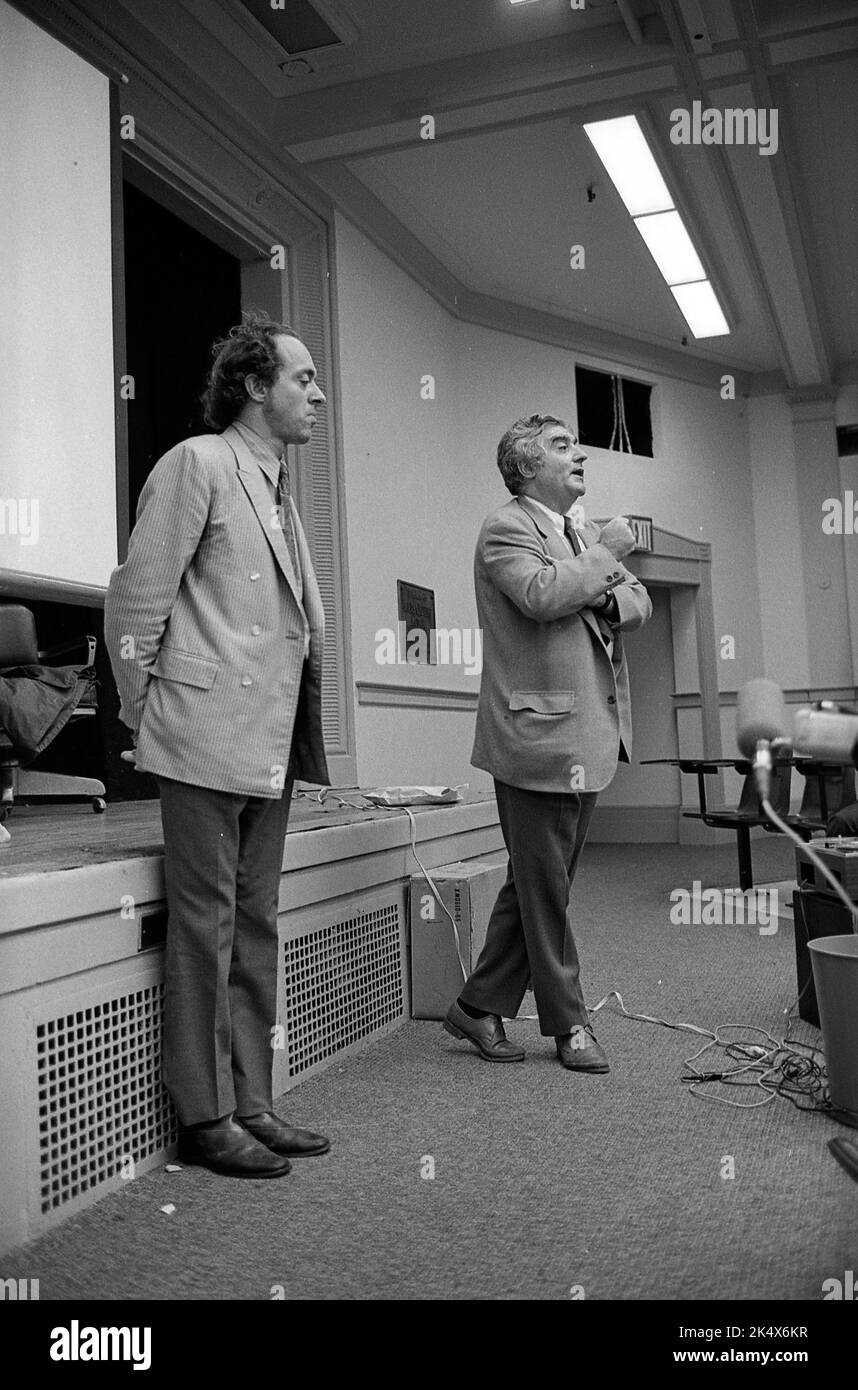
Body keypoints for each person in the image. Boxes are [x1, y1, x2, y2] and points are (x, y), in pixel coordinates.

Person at [105, 311, 331, 1177]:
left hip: (267, 746)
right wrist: (146, 714)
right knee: (204, 925)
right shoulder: (197, 463)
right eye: (302, 378)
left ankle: (252, 1100)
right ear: (252, 385)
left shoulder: (275, 487)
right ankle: (205, 1119)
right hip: (202, 737)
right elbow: (135, 601)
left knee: (256, 923)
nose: (315, 393)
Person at [445, 414, 652, 1072]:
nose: (580, 454)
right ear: (527, 467)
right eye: (563, 447)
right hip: (537, 741)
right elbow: (541, 595)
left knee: (536, 884)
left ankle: (478, 1008)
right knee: (547, 890)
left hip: (591, 734)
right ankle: (569, 1023)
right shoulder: (507, 527)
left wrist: (602, 585)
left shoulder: (581, 534)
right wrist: (604, 562)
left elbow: (639, 602)